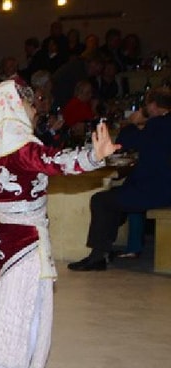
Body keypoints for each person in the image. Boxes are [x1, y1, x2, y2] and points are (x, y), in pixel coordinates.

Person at [0, 80, 116, 368]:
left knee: (10, 309)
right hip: (24, 243)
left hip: (4, 239)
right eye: (31, 106)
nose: (35, 111)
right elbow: (56, 162)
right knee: (19, 311)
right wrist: (94, 156)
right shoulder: (19, 145)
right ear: (17, 107)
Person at [69, 87, 171, 270]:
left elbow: (125, 143)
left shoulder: (158, 124)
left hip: (158, 190)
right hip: (162, 185)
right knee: (114, 198)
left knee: (100, 200)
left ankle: (97, 256)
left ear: (154, 106)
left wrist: (131, 123)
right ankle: (105, 251)